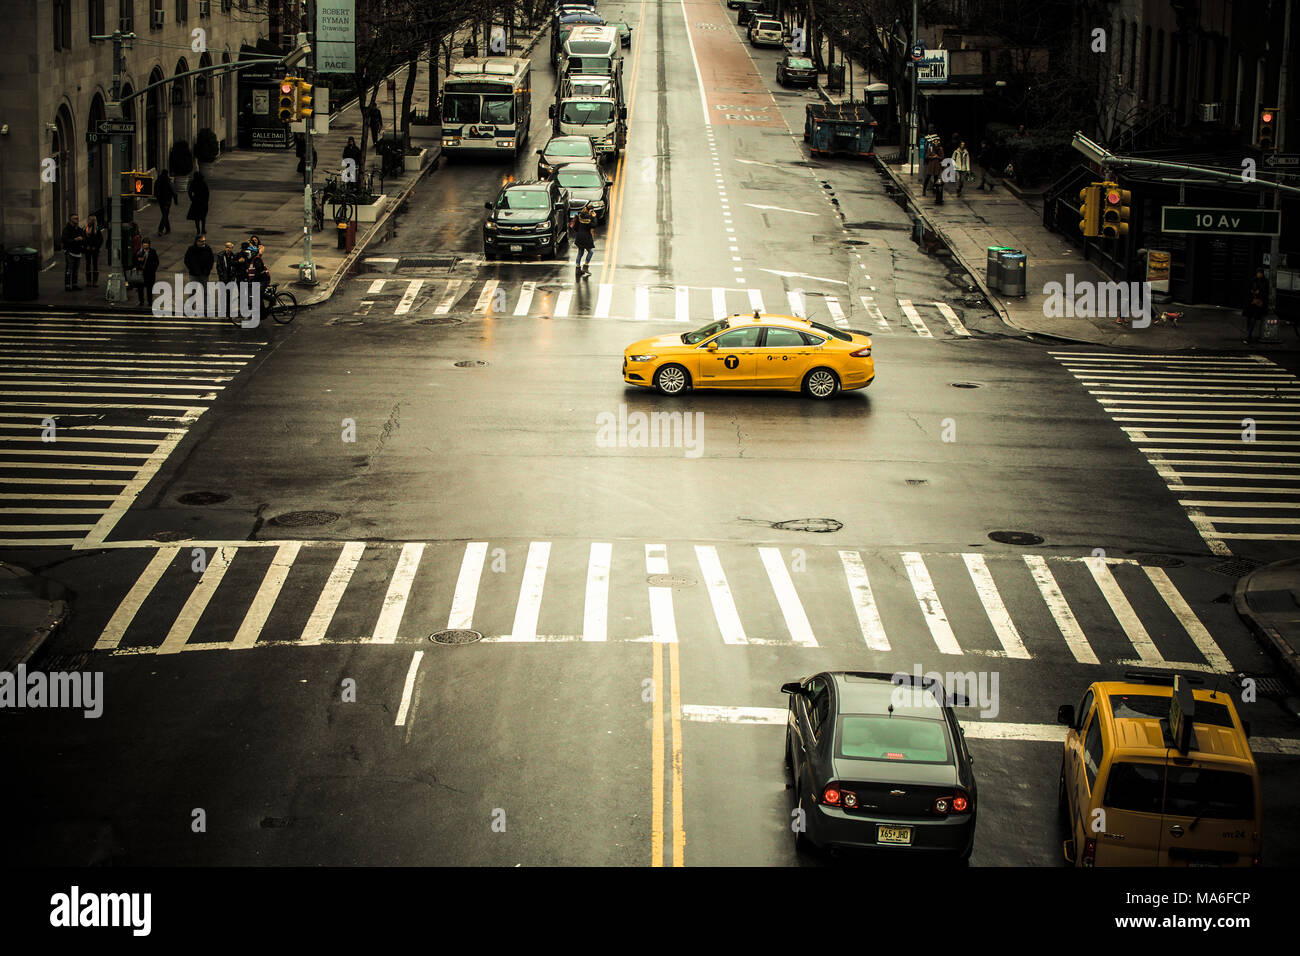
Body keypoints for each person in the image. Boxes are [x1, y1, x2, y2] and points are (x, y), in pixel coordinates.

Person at [184, 235, 215, 313]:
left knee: (205, 292)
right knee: (192, 292)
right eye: (201, 241)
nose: (203, 242)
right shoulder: (191, 249)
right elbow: (187, 260)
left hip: (204, 274)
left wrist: (208, 271)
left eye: (204, 241)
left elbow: (211, 260)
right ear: (197, 241)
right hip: (194, 274)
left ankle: (206, 308)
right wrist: (192, 269)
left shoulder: (207, 249)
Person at [571, 203, 596, 277]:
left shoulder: (580, 215)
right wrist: (594, 217)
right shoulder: (589, 218)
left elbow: (576, 226)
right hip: (586, 237)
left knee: (580, 253)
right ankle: (585, 266)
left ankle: (578, 269)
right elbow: (593, 225)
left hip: (579, 236)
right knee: (591, 252)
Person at [1244, 268, 1269, 343]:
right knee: (1249, 317)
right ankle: (1249, 332)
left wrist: (1259, 293)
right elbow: (1249, 290)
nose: (1259, 274)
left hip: (1259, 302)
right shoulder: (1253, 280)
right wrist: (1252, 292)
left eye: (1260, 273)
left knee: (1254, 318)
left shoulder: (1265, 281)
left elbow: (1266, 292)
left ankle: (1249, 334)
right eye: (1258, 273)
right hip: (1252, 302)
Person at [61, 213, 85, 291]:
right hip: (70, 251)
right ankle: (67, 285)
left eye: (77, 218)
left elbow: (83, 238)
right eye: (75, 218)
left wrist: (82, 240)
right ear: (71, 220)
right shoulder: (67, 229)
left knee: (76, 270)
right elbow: (64, 240)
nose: (77, 220)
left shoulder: (79, 229)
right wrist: (75, 240)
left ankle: (74, 284)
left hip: (77, 251)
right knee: (69, 269)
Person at [134, 238, 159, 308]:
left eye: (146, 245)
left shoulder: (153, 252)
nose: (145, 246)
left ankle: (150, 302)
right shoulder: (139, 252)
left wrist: (153, 269)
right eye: (144, 245)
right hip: (141, 273)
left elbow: (156, 262)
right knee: (140, 289)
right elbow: (135, 261)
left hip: (150, 273)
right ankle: (141, 301)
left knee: (149, 289)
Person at [186, 169, 209, 236]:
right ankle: (203, 229)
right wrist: (206, 200)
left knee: (197, 217)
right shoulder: (203, 183)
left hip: (196, 201)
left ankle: (198, 230)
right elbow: (207, 193)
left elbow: (190, 192)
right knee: (203, 216)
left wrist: (192, 198)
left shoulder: (194, 182)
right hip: (203, 201)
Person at [83, 215, 103, 286]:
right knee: (87, 264)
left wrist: (96, 247)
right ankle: (88, 281)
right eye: (89, 220)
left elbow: (100, 240)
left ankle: (95, 281)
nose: (89, 221)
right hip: (87, 249)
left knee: (95, 264)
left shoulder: (97, 229)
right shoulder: (85, 229)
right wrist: (86, 246)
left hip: (95, 250)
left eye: (90, 220)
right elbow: (84, 239)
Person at [156, 170, 176, 235]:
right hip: (167, 201)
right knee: (165, 215)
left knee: (165, 214)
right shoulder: (168, 181)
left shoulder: (158, 180)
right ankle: (160, 229)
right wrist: (175, 199)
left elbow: (155, 190)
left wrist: (157, 197)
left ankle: (168, 229)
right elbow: (173, 191)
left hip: (160, 201)